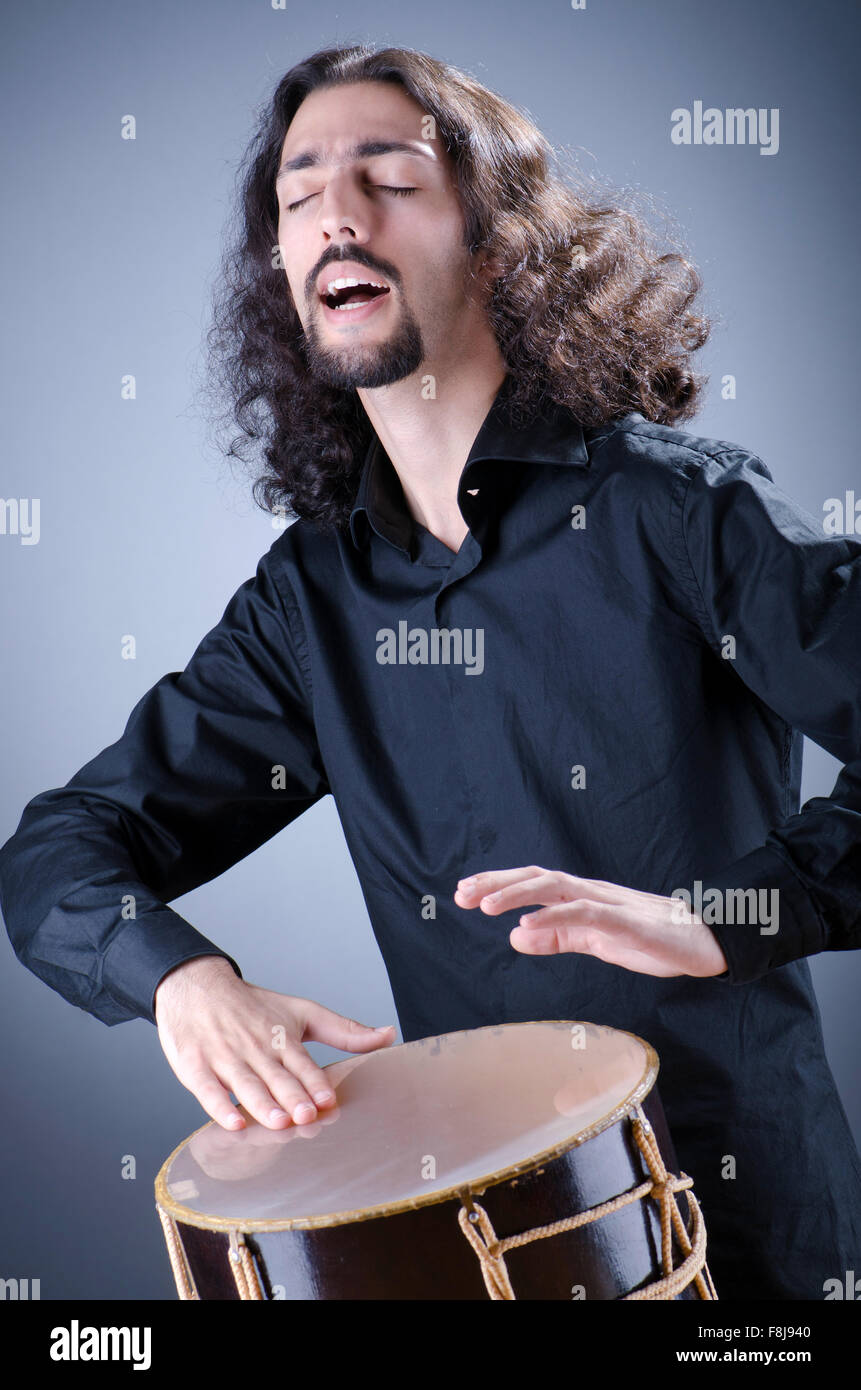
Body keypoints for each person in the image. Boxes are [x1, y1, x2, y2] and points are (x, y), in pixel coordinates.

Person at [1, 43, 859, 1302]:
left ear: (501, 244)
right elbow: (57, 851)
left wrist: (722, 916)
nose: (334, 213)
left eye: (388, 178)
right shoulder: (310, 602)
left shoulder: (682, 513)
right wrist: (181, 982)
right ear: (287, 276)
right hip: (475, 1255)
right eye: (298, 198)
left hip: (757, 1252)